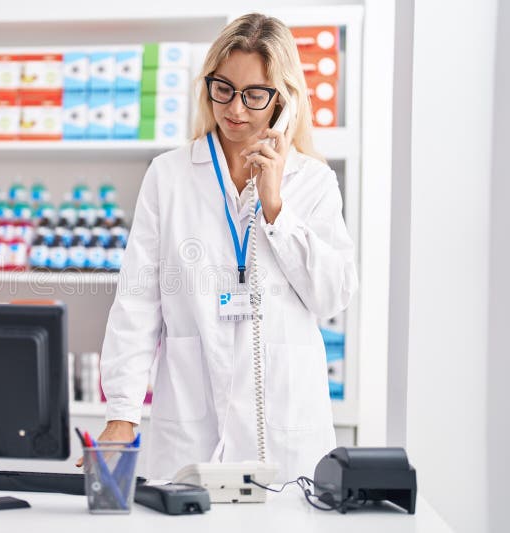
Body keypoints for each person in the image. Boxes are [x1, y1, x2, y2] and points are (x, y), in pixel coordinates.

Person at [84, 13, 358, 482]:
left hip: (285, 439)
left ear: (284, 99)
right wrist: (122, 413)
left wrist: (275, 208)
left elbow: (331, 296)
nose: (235, 109)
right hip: (191, 434)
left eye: (255, 95)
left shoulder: (312, 182)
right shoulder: (168, 175)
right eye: (223, 88)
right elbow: (136, 303)